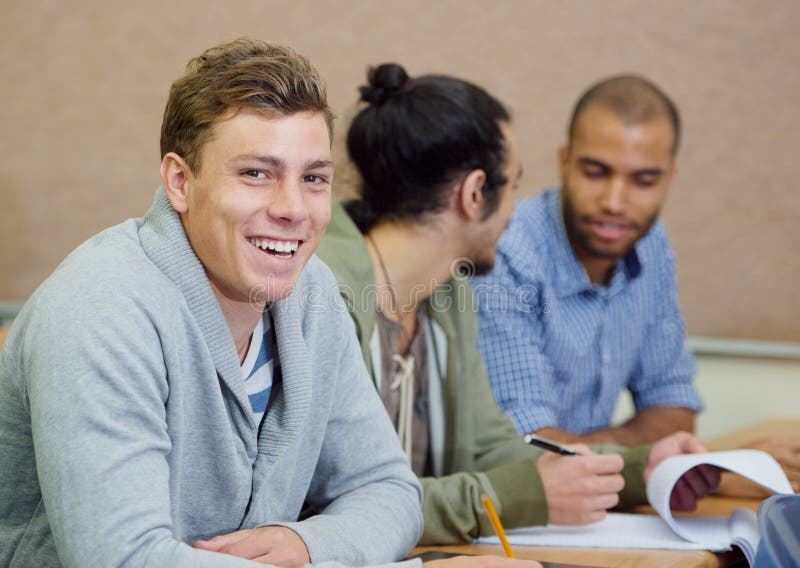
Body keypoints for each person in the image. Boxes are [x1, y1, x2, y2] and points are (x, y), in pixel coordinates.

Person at [0, 39, 451, 568]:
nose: (292, 209)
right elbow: (120, 560)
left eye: (313, 179)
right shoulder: (99, 309)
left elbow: (389, 489)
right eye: (255, 173)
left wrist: (310, 545)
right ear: (179, 182)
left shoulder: (314, 294)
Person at [315, 63, 719, 546]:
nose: (516, 208)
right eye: (514, 183)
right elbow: (331, 506)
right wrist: (517, 494)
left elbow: (489, 450)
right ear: (475, 193)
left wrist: (637, 469)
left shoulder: (448, 292)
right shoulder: (323, 292)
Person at [472, 74, 800, 495]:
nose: (614, 201)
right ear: (564, 161)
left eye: (643, 181)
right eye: (596, 172)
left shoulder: (650, 244)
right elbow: (530, 449)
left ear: (669, 178)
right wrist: (665, 455)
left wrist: (663, 452)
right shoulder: (504, 251)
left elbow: (674, 405)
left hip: (598, 507)